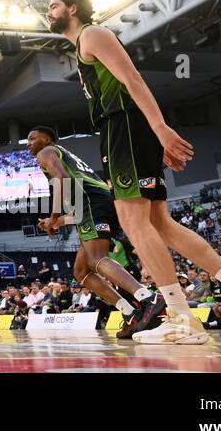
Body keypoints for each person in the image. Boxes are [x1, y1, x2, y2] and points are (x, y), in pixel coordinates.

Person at [46, 0, 221, 344]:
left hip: (124, 126)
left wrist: (159, 129)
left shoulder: (93, 34)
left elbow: (133, 80)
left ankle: (180, 316)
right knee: (160, 222)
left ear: (72, 8)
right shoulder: (81, 46)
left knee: (133, 221)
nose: (48, 12)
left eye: (53, 5)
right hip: (123, 130)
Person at [27, 126, 164, 340]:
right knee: (81, 271)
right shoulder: (64, 155)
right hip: (97, 202)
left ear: (46, 139)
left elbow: (63, 178)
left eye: (32, 138)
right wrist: (57, 222)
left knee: (97, 259)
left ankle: (148, 298)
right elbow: (79, 212)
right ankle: (130, 313)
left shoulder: (46, 152)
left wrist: (54, 215)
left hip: (94, 201)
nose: (28, 143)